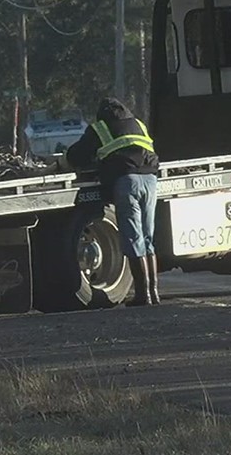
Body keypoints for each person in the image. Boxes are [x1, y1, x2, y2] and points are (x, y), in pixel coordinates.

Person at [65, 97, 161, 306]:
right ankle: (154, 293)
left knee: (133, 237)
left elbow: (78, 155)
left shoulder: (100, 128)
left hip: (128, 180)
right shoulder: (138, 123)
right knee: (148, 236)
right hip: (151, 179)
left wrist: (65, 160)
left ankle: (143, 296)